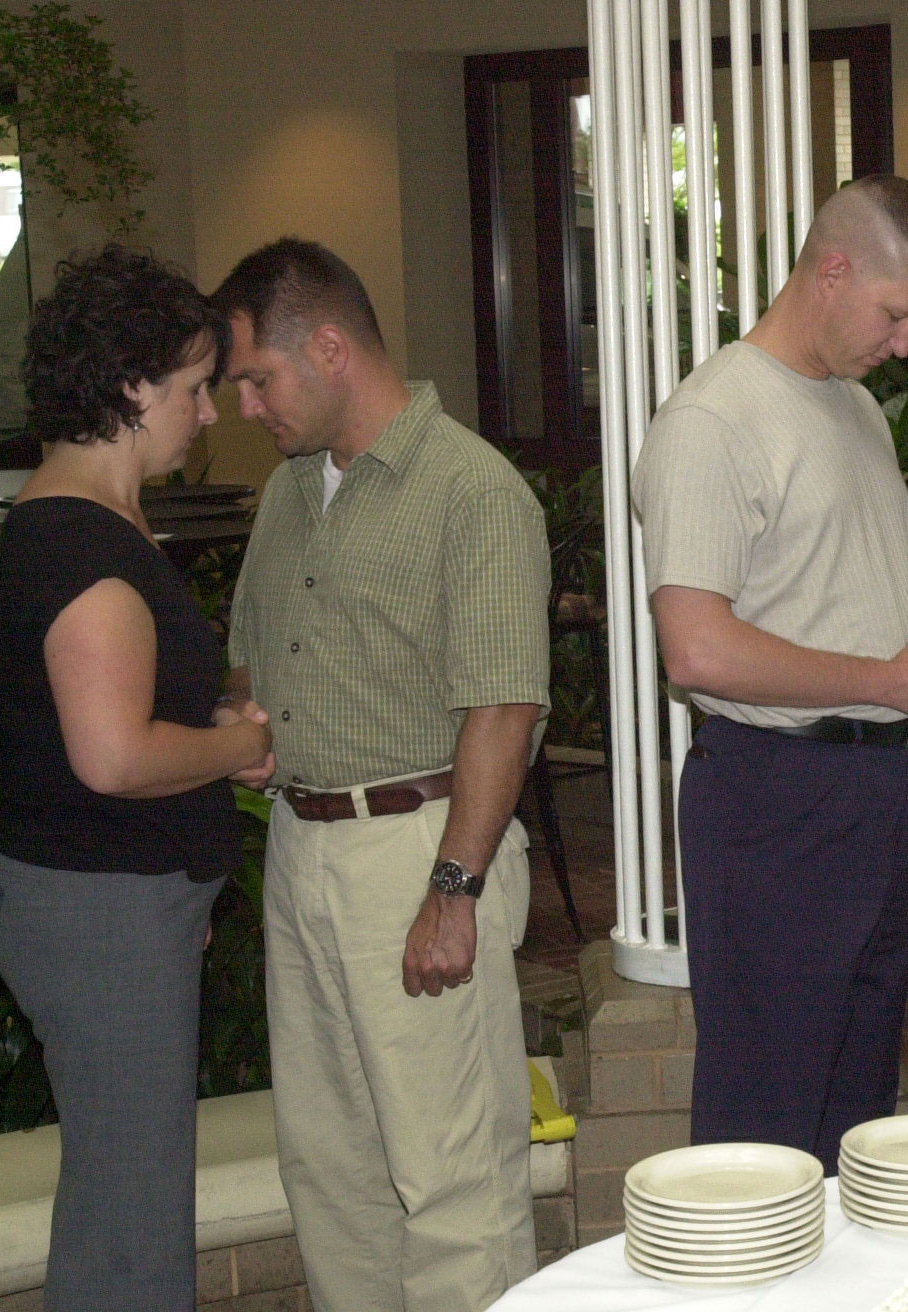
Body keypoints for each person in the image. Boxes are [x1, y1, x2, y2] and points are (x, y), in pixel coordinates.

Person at [215, 238, 550, 1312]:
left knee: (450, 1175)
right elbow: (251, 659)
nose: (245, 407)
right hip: (302, 847)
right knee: (332, 1168)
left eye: (257, 380)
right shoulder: (286, 496)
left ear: (327, 347)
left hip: (423, 843)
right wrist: (241, 719)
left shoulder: (473, 491)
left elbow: (503, 706)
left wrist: (450, 891)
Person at [634, 176, 908, 1171]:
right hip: (779, 796)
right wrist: (885, 681)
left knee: (854, 1104)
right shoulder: (715, 416)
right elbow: (693, 648)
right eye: (896, 313)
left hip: (873, 789)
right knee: (766, 1114)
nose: (907, 343)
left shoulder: (854, 406)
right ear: (830, 272)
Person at [0, 245, 273, 1311]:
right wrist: (241, 744)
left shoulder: (75, 520)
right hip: (95, 907)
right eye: (195, 388)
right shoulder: (86, 550)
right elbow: (113, 757)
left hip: (102, 900)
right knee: (133, 1221)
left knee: (118, 1198)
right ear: (130, 386)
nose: (208, 413)